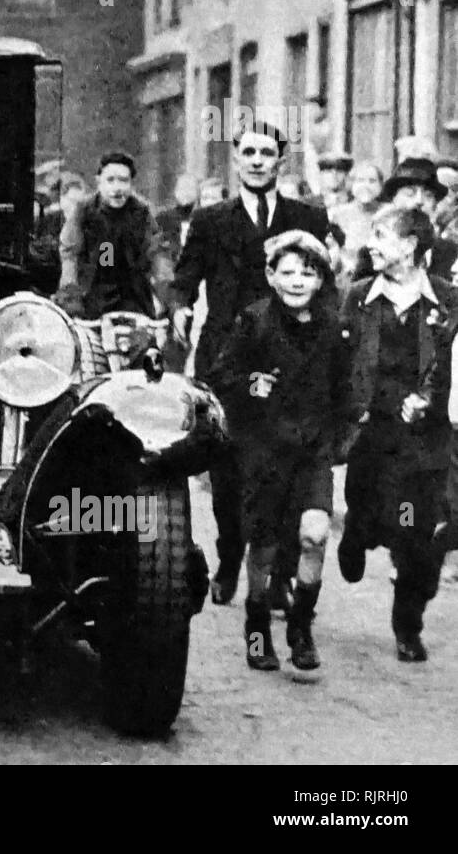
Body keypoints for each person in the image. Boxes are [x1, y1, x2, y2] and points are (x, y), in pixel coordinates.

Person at [171, 122, 330, 606]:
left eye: (267, 152)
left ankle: (278, 574)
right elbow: (187, 276)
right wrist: (179, 306)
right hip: (227, 358)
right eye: (249, 152)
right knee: (227, 468)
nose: (258, 160)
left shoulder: (307, 216)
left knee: (283, 466)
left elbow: (323, 281)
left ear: (281, 160)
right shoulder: (211, 219)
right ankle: (227, 559)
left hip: (290, 355)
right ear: (235, 159)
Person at [209, 231, 347, 672]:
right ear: (270, 276)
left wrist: (340, 438)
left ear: (322, 280)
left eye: (308, 273)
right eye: (287, 272)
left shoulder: (333, 326)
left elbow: (347, 389)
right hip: (264, 449)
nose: (297, 282)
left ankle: (301, 627)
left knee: (314, 536)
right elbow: (220, 378)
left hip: (312, 450)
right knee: (264, 547)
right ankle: (256, 630)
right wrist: (251, 384)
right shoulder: (253, 321)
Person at [338, 207, 457, 662]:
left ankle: (408, 623)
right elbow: (339, 359)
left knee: (415, 532)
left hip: (422, 443)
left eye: (382, 235)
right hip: (370, 436)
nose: (372, 243)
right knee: (368, 507)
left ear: (410, 246)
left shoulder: (448, 302)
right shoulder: (358, 297)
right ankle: (357, 530)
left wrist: (428, 399)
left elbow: (450, 364)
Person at [56, 152, 171, 319]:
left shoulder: (142, 213)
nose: (117, 188)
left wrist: (168, 297)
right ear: (99, 182)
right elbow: (70, 255)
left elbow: (158, 255)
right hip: (91, 299)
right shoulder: (84, 212)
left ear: (132, 184)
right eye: (110, 180)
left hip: (133, 300)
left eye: (123, 181)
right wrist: (70, 298)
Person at [352, 159, 457, 280]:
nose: (419, 201)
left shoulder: (451, 252)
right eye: (409, 194)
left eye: (428, 195)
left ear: (435, 205)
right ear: (393, 200)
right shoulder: (372, 254)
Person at [329, 162, 382, 268]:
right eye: (360, 180)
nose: (366, 186)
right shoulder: (337, 214)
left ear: (381, 185)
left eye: (372, 181)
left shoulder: (388, 212)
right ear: (351, 184)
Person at [156, 175, 199, 266]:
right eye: (182, 189)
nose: (186, 193)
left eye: (190, 189)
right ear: (175, 192)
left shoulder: (202, 218)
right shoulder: (163, 218)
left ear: (197, 193)